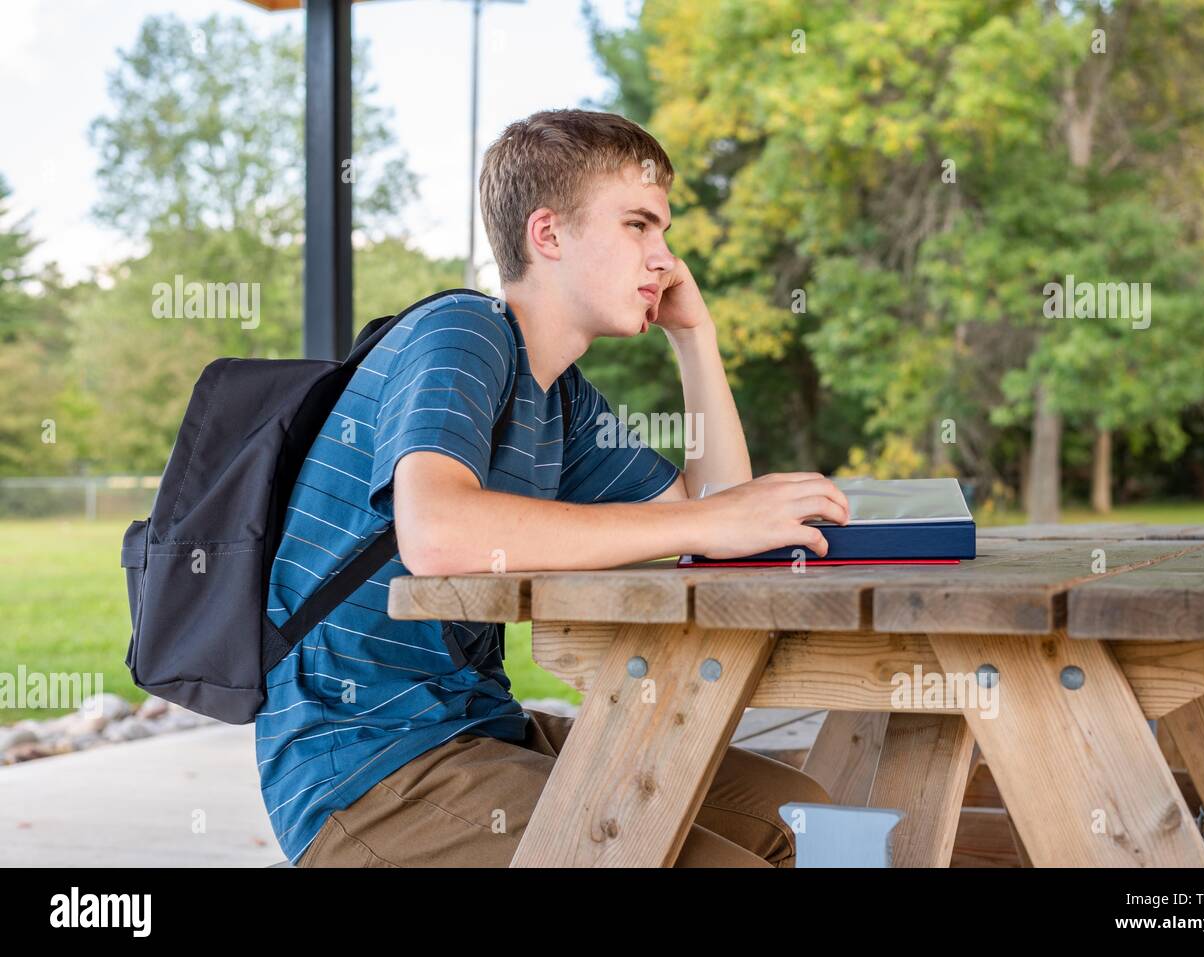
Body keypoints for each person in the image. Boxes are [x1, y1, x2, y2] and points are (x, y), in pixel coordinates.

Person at [257, 108, 850, 867]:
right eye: (639, 225)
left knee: (804, 821)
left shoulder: (560, 397)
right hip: (369, 772)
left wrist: (694, 337)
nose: (664, 258)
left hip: (479, 733)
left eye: (664, 232)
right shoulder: (461, 330)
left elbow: (713, 519)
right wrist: (709, 526)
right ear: (548, 235)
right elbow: (437, 531)